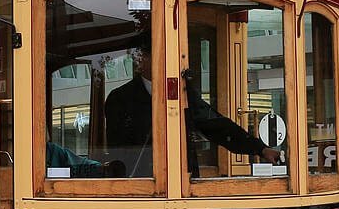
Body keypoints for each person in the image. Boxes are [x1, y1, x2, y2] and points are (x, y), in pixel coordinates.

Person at [104, 37, 281, 178]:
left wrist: (260, 149)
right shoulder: (119, 98)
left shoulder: (184, 92)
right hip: (139, 187)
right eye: (161, 54)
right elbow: (119, 150)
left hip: (184, 184)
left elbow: (215, 124)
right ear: (142, 59)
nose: (167, 61)